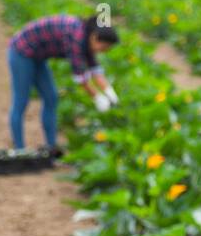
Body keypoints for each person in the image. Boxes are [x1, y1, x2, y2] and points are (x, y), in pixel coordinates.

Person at [8, 15, 120, 150]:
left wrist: (111, 94)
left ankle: (51, 147)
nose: (104, 51)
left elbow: (96, 71)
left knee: (51, 98)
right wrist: (96, 97)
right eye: (104, 47)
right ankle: (19, 149)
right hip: (21, 52)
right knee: (21, 101)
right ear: (95, 37)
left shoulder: (87, 37)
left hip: (38, 57)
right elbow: (80, 77)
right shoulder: (76, 37)